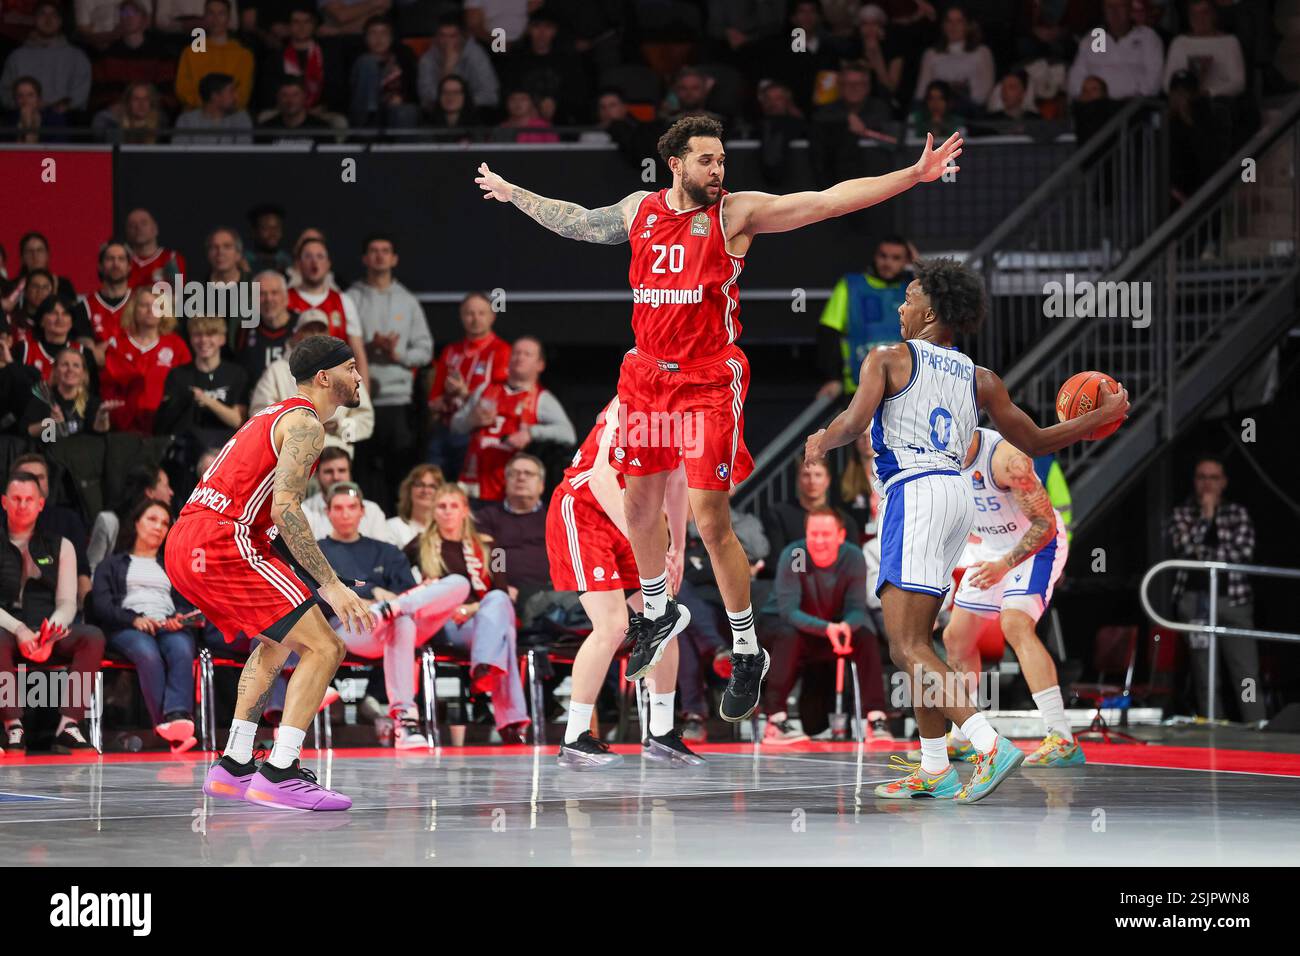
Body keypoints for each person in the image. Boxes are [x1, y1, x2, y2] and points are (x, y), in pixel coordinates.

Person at [475, 114, 963, 725]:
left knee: (710, 518)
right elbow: (576, 220)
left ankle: (745, 646)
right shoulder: (639, 211)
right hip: (647, 375)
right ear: (675, 164)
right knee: (638, 507)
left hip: (708, 379)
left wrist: (913, 175)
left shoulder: (735, 215)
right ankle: (657, 610)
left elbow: (825, 201)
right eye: (706, 160)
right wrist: (516, 193)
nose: (718, 170)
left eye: (723, 160)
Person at [804, 256, 1128, 802]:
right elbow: (1040, 440)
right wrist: (1095, 420)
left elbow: (855, 423)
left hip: (917, 492)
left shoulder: (888, 356)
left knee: (905, 645)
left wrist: (821, 439)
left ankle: (987, 743)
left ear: (930, 308)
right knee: (925, 643)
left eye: (907, 298)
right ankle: (934, 767)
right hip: (959, 500)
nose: (901, 307)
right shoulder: (980, 377)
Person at [166, 334, 374, 811]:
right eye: (350, 368)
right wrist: (332, 585)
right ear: (324, 377)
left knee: (278, 640)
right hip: (223, 539)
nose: (359, 375)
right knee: (327, 645)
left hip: (188, 538)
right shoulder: (306, 424)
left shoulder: (267, 415)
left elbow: (267, 512)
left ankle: (234, 764)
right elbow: (287, 510)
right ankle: (280, 771)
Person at [547, 397, 701, 769]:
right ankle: (575, 737)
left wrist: (677, 546)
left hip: (635, 517)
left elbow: (678, 481)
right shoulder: (632, 400)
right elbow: (601, 480)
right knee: (613, 624)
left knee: (662, 621)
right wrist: (645, 541)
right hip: (584, 510)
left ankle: (661, 733)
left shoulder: (696, 409)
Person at [943, 427, 1081, 767]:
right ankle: (964, 736)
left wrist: (1004, 565)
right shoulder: (940, 460)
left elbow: (1046, 525)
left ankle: (1061, 736)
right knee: (956, 638)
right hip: (991, 549)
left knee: (1016, 624)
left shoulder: (1007, 460)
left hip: (1037, 546)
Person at [318, 480, 469, 749]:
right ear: (327, 512)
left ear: (362, 511)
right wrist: (374, 594)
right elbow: (316, 595)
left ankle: (405, 726)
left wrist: (393, 603)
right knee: (401, 616)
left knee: (459, 583)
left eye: (351, 507)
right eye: (338, 508)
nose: (345, 514)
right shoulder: (317, 552)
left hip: (393, 622)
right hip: (348, 628)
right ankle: (405, 721)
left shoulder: (385, 551)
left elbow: (408, 595)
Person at [406, 483, 529, 743]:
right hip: (447, 624)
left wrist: (472, 607)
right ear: (434, 512)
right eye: (442, 506)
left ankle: (485, 668)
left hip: (481, 618)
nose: (448, 512)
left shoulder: (493, 547)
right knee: (503, 634)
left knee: (497, 604)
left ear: (465, 510)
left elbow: (502, 591)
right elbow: (400, 582)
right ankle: (511, 719)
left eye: (454, 506)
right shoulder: (420, 544)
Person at [759, 507, 890, 744]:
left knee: (865, 636)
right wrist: (828, 628)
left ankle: (875, 718)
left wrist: (846, 627)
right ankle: (775, 720)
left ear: (840, 536)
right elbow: (790, 611)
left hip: (826, 629)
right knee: (790, 635)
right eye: (813, 534)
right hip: (781, 625)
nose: (818, 540)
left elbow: (856, 608)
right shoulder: (797, 555)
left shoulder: (852, 557)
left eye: (825, 534)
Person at [91, 498, 209, 754]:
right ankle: (165, 724)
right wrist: (133, 619)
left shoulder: (171, 564)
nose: (158, 527)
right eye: (152, 519)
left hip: (166, 625)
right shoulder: (112, 564)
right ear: (136, 523)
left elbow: (183, 600)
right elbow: (101, 604)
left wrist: (179, 616)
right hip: (128, 627)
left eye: (165, 523)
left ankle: (179, 715)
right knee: (147, 653)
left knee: (181, 647)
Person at [0, 470, 103, 756]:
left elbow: (68, 602)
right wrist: (19, 630)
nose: (22, 505)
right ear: (4, 502)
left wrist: (49, 632)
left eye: (29, 499)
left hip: (47, 630)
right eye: (16, 499)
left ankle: (69, 725)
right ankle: (13, 725)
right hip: (7, 631)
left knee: (92, 636)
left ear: (41, 504)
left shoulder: (62, 545)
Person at [1166, 455, 1264, 724]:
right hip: (1195, 603)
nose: (1207, 483)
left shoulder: (1237, 513)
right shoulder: (1182, 513)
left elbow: (1241, 553)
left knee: (1245, 671)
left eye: (1213, 478)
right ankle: (1214, 729)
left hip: (1234, 601)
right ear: (1195, 482)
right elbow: (1184, 549)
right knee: (1204, 673)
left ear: (1224, 482)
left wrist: (1206, 547)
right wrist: (1206, 519)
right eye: (1202, 477)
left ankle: (1258, 726)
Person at [347, 233, 432, 505]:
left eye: (385, 251)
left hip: (399, 403)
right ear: (364, 258)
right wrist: (366, 349)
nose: (380, 256)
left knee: (400, 474)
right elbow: (338, 342)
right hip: (360, 399)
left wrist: (398, 354)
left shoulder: (408, 301)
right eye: (373, 251)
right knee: (363, 473)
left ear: (394, 258)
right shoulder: (350, 298)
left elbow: (425, 350)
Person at [452, 335, 575, 502]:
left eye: (527, 354)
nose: (520, 357)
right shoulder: (487, 388)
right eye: (516, 353)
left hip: (510, 491)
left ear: (540, 365)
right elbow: (455, 426)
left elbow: (568, 434)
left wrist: (531, 433)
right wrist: (471, 420)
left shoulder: (541, 398)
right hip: (474, 486)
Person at [250, 309, 375, 459]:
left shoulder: (345, 371)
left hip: (336, 457)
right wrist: (294, 428)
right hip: (293, 456)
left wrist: (340, 427)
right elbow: (260, 416)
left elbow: (366, 421)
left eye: (320, 330)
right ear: (296, 335)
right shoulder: (277, 371)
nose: (316, 335)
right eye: (309, 330)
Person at [426, 290, 511, 479]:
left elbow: (498, 399)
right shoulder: (451, 351)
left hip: (476, 432)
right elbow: (434, 397)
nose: (475, 319)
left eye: (481, 313)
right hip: (445, 428)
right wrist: (443, 400)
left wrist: (465, 394)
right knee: (432, 480)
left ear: (492, 316)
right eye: (469, 313)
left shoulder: (501, 351)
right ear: (462, 317)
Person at [818, 237, 912, 400]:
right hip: (858, 386)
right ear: (875, 256)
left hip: (903, 388)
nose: (887, 262)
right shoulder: (851, 286)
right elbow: (828, 332)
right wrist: (832, 378)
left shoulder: (913, 290)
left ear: (906, 261)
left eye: (896, 258)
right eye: (883, 256)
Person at [5, 452, 93, 604]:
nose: (34, 482)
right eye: (27, 476)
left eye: (40, 477)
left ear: (48, 482)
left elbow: (81, 570)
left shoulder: (68, 519)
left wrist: (89, 610)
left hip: (55, 605)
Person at [101, 287, 192, 433]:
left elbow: (186, 386)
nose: (150, 310)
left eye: (156, 306)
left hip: (165, 426)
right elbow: (108, 387)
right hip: (123, 428)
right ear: (134, 310)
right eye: (144, 305)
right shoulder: (118, 345)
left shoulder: (176, 345)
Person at [286, 236, 370, 392]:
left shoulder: (344, 301)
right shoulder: (284, 299)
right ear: (298, 263)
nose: (314, 262)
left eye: (320, 256)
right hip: (295, 385)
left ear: (328, 263)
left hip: (336, 386)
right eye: (308, 256)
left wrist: (363, 396)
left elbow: (359, 354)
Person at [474, 452, 549, 612]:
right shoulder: (487, 517)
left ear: (541, 485)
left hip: (549, 595)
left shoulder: (556, 517)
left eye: (528, 473)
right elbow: (493, 553)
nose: (521, 478)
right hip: (503, 595)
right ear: (506, 481)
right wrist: (502, 587)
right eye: (514, 473)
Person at [763, 455, 860, 561]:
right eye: (806, 475)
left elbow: (853, 562)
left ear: (827, 480)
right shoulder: (778, 514)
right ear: (798, 479)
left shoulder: (845, 521)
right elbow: (777, 561)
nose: (812, 481)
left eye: (818, 475)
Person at [0, 2, 92, 114]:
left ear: (60, 21)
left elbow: (80, 94)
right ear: (35, 19)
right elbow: (5, 93)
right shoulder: (16, 57)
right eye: (42, 14)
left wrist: (57, 107)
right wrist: (26, 105)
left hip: (64, 123)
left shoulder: (77, 57)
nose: (48, 19)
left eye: (53, 15)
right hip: (22, 120)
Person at [1066, 0, 1164, 101]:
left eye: (1120, 7)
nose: (1114, 12)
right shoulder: (1094, 37)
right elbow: (1074, 83)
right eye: (1109, 7)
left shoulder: (1147, 37)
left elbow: (1153, 85)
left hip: (1134, 107)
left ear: (1130, 9)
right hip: (1094, 106)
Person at [87, 463, 173, 575]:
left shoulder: (167, 527)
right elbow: (93, 570)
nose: (171, 492)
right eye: (166, 486)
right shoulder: (109, 521)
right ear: (150, 492)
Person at [174, 0, 254, 111]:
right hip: (196, 114)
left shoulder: (244, 55)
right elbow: (182, 89)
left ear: (229, 18)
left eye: (221, 14)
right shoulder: (190, 52)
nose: (216, 19)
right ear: (205, 17)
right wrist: (207, 107)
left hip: (231, 114)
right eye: (211, 13)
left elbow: (243, 93)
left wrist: (221, 107)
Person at [301, 446, 392, 542]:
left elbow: (383, 552)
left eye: (342, 470)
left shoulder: (372, 510)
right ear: (317, 475)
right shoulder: (305, 511)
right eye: (328, 472)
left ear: (350, 473)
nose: (336, 477)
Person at [21, 346, 113, 440]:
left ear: (83, 373)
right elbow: (25, 431)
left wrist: (102, 415)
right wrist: (50, 423)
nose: (70, 370)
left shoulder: (92, 402)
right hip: (50, 452)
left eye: (76, 365)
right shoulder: (44, 398)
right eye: (65, 365)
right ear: (56, 371)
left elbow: (100, 434)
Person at [239, 269, 295, 379]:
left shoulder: (302, 325)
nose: (268, 299)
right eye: (261, 294)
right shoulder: (245, 329)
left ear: (286, 297)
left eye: (274, 293)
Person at [171, 70, 253, 143]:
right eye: (231, 92)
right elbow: (180, 155)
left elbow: (243, 155)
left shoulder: (241, 118)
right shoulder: (186, 120)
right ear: (215, 96)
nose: (236, 96)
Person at [124, 207, 186, 290]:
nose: (138, 228)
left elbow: (178, 294)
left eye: (144, 223)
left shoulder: (171, 258)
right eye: (132, 225)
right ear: (127, 231)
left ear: (155, 228)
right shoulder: (122, 260)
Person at [386, 464, 443, 548]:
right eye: (420, 485)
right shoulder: (393, 527)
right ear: (409, 490)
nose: (426, 490)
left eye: (432, 486)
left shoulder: (446, 530)